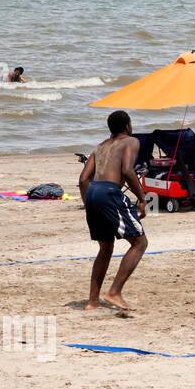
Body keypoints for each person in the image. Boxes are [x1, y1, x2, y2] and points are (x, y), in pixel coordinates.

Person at [78, 110, 147, 310]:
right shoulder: (131, 141)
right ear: (127, 126)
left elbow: (83, 179)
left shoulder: (99, 147)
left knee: (105, 248)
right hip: (109, 192)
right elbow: (127, 169)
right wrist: (142, 198)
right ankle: (114, 292)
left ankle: (93, 301)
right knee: (140, 242)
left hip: (92, 193)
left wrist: (89, 204)